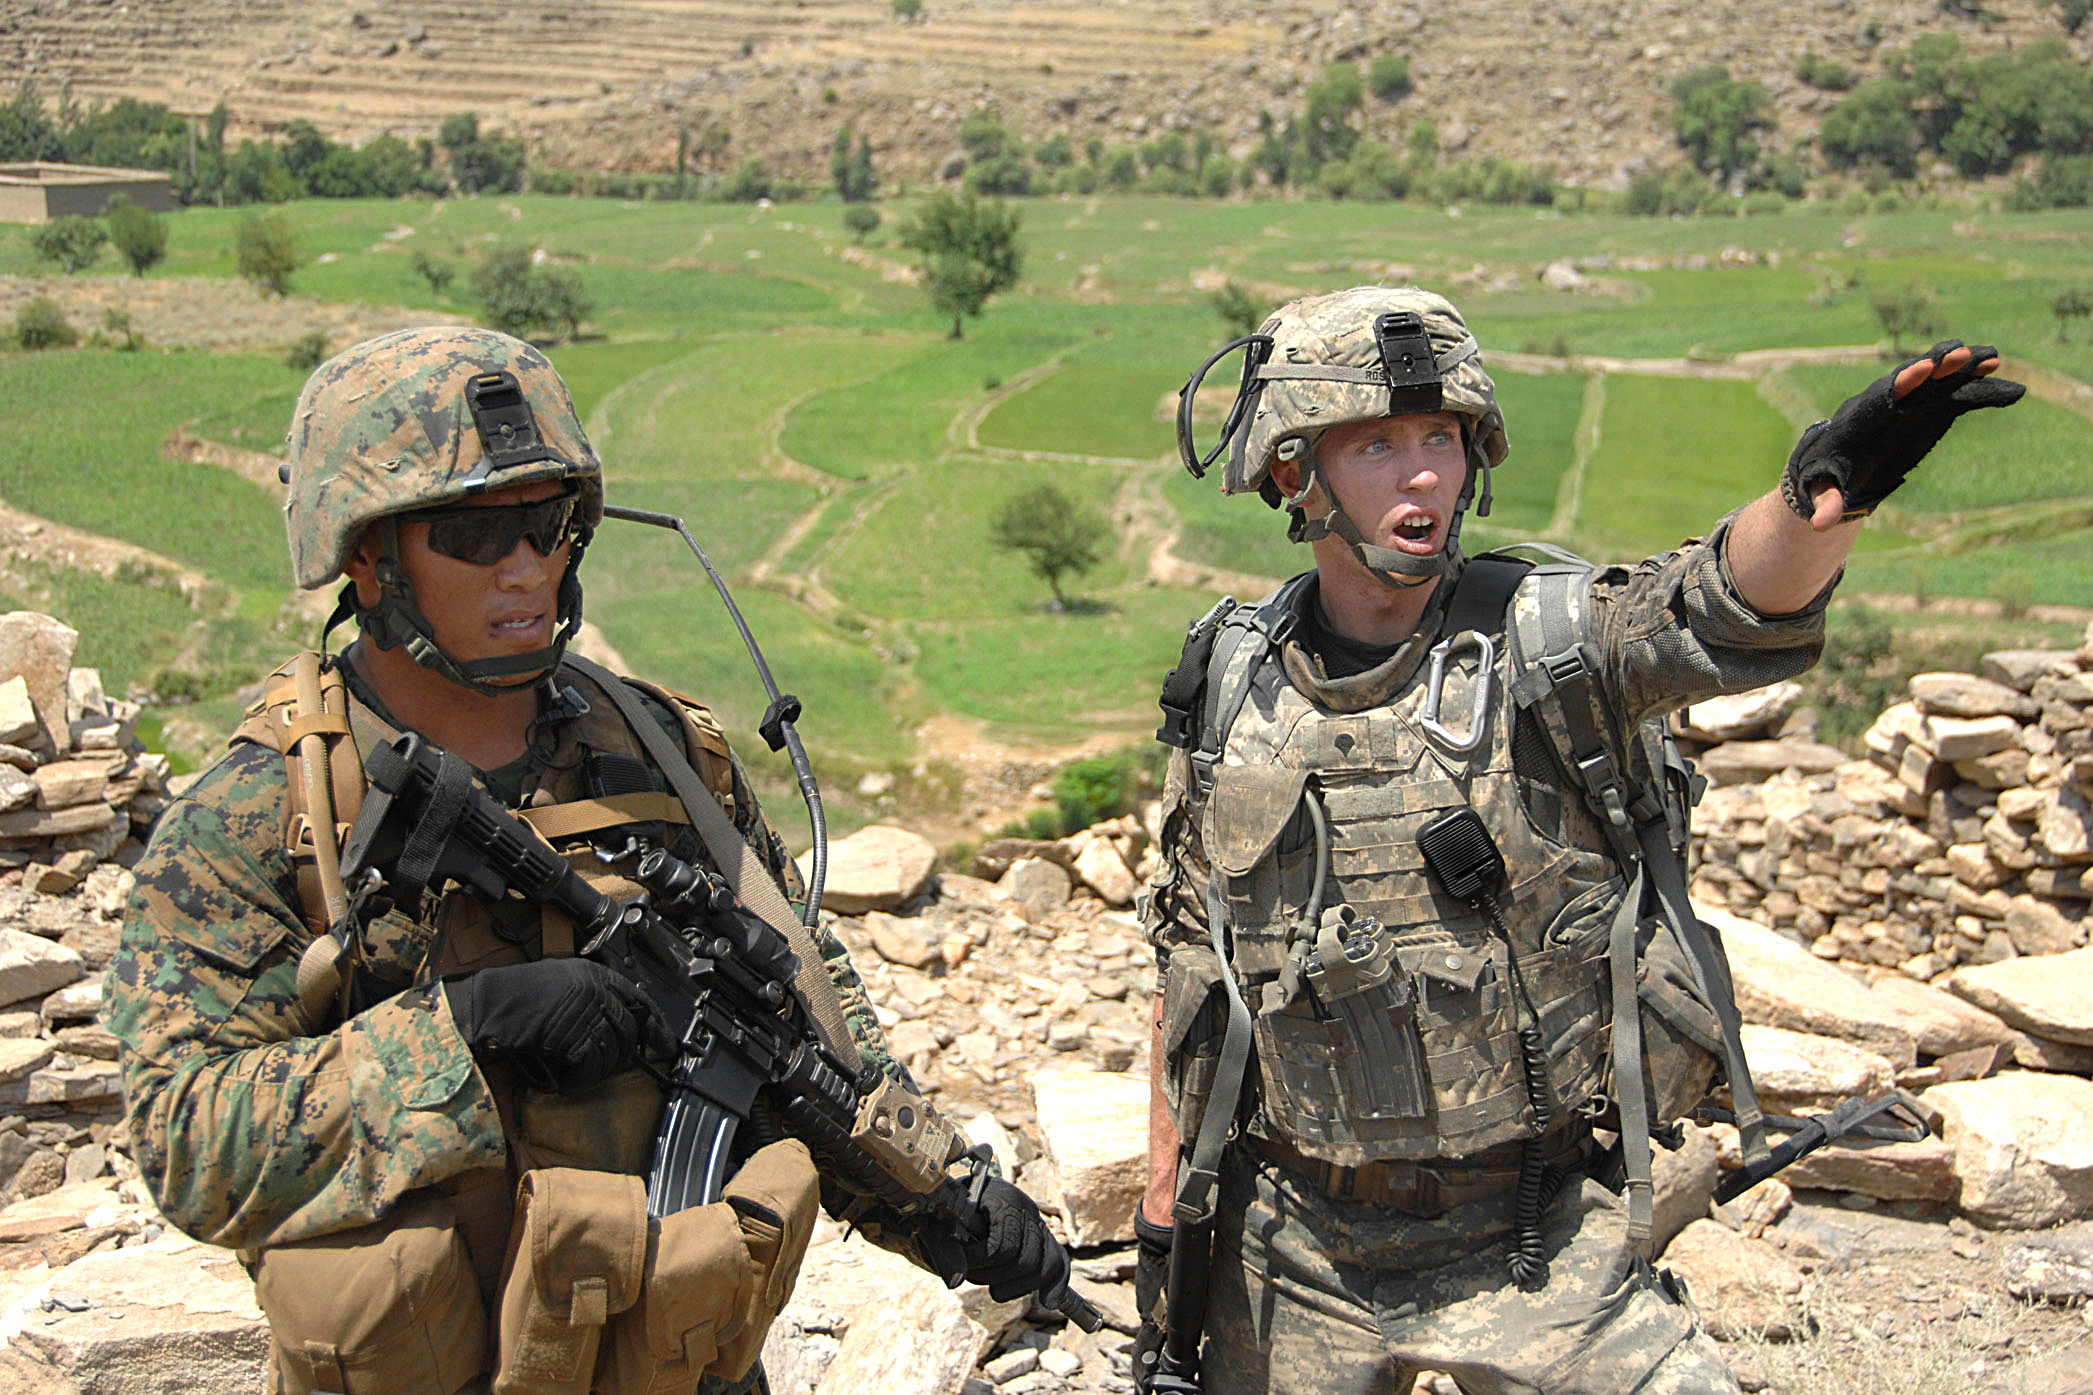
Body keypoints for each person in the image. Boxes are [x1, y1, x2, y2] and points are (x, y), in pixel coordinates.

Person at [107, 326, 1067, 1395]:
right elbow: (185, 1144)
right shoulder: (262, 816)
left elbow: (810, 1031)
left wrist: (941, 1198)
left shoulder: (666, 755)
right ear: (366, 555)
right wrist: (466, 1032)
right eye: (476, 535)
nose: (529, 567)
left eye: (551, 524)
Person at [1134, 287, 2022, 1394]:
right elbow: (1189, 969)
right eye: (1375, 444)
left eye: (1441, 438)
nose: (1422, 474)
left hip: (1536, 1241)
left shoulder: (1549, 641)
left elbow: (1716, 607)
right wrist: (1167, 1209)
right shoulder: (1229, 683)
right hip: (1297, 1248)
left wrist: (1816, 500)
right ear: (1289, 473)